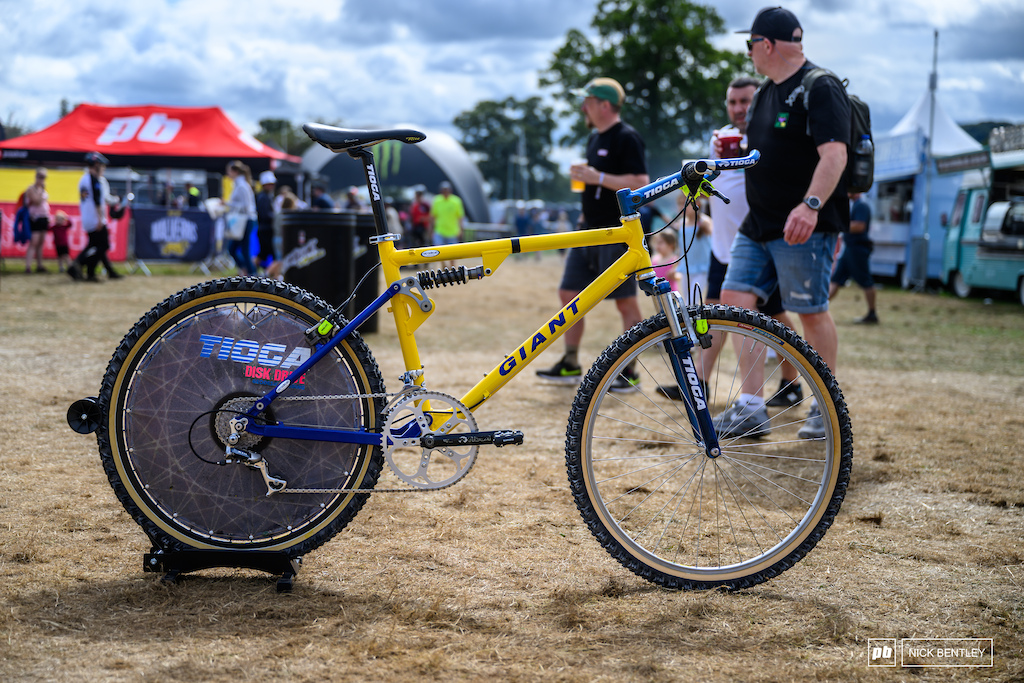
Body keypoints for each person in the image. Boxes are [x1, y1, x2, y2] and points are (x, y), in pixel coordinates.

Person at [714, 6, 850, 440]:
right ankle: (752, 407)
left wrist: (810, 206)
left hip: (803, 223)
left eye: (750, 43)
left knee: (810, 312)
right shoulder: (765, 93)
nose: (749, 52)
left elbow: (836, 155)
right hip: (760, 223)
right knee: (734, 299)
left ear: (767, 45)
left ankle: (825, 408)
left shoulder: (820, 86)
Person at [660, 75, 802, 407]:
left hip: (758, 246)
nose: (738, 108)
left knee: (775, 319)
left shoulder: (770, 137)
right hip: (724, 247)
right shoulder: (720, 140)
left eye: (746, 101)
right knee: (712, 316)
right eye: (733, 102)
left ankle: (790, 382)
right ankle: (698, 384)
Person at [535, 76, 649, 391]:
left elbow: (641, 181)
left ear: (604, 105)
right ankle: (570, 362)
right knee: (568, 294)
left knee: (625, 302)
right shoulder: (594, 138)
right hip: (587, 231)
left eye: (587, 101)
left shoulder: (627, 137)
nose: (583, 107)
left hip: (616, 232)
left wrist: (597, 177)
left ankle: (629, 371)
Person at [69, 152, 123, 282]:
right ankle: (80, 265)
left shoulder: (84, 179)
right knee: (103, 245)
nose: (103, 168)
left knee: (95, 245)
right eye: (102, 165)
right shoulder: (95, 180)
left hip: (87, 217)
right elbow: (97, 201)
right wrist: (100, 219)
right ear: (96, 164)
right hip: (95, 218)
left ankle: (92, 272)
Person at [830, 192, 878, 323]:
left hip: (857, 249)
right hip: (849, 248)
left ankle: (872, 313)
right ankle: (819, 311)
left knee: (866, 281)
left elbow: (860, 226)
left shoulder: (861, 206)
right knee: (836, 279)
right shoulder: (855, 205)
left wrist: (839, 225)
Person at [674, 194, 713, 299]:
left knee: (693, 301)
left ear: (697, 204)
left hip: (702, 269)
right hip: (686, 268)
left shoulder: (705, 222)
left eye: (685, 204)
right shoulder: (681, 224)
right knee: (687, 301)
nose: (682, 207)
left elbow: (714, 241)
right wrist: (676, 266)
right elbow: (681, 248)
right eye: (680, 204)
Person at [224, 160, 257, 276]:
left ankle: (251, 272)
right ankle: (249, 271)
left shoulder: (242, 186)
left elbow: (246, 206)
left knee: (238, 249)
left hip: (245, 220)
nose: (228, 173)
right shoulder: (240, 184)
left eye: (229, 171)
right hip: (245, 220)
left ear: (235, 171)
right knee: (239, 249)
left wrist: (227, 204)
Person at [429, 181, 465, 266]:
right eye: (444, 190)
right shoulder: (437, 200)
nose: (445, 192)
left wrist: (460, 229)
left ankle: (452, 268)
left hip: (452, 231)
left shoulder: (456, 201)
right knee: (439, 251)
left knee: (452, 253)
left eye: (447, 190)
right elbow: (433, 216)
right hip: (439, 230)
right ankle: (443, 266)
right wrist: (431, 229)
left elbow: (460, 217)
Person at [24, 167, 51, 273]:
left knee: (41, 242)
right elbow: (37, 201)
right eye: (40, 177)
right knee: (34, 242)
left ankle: (39, 265)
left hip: (44, 218)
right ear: (36, 176)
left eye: (44, 177)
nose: (42, 179)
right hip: (35, 218)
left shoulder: (42, 189)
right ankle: (28, 266)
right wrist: (41, 191)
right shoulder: (31, 189)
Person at [255, 170, 277, 272]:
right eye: (269, 184)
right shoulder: (263, 197)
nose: (271, 186)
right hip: (265, 230)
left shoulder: (267, 196)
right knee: (270, 253)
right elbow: (265, 215)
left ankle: (251, 271)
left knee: (264, 254)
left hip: (266, 229)